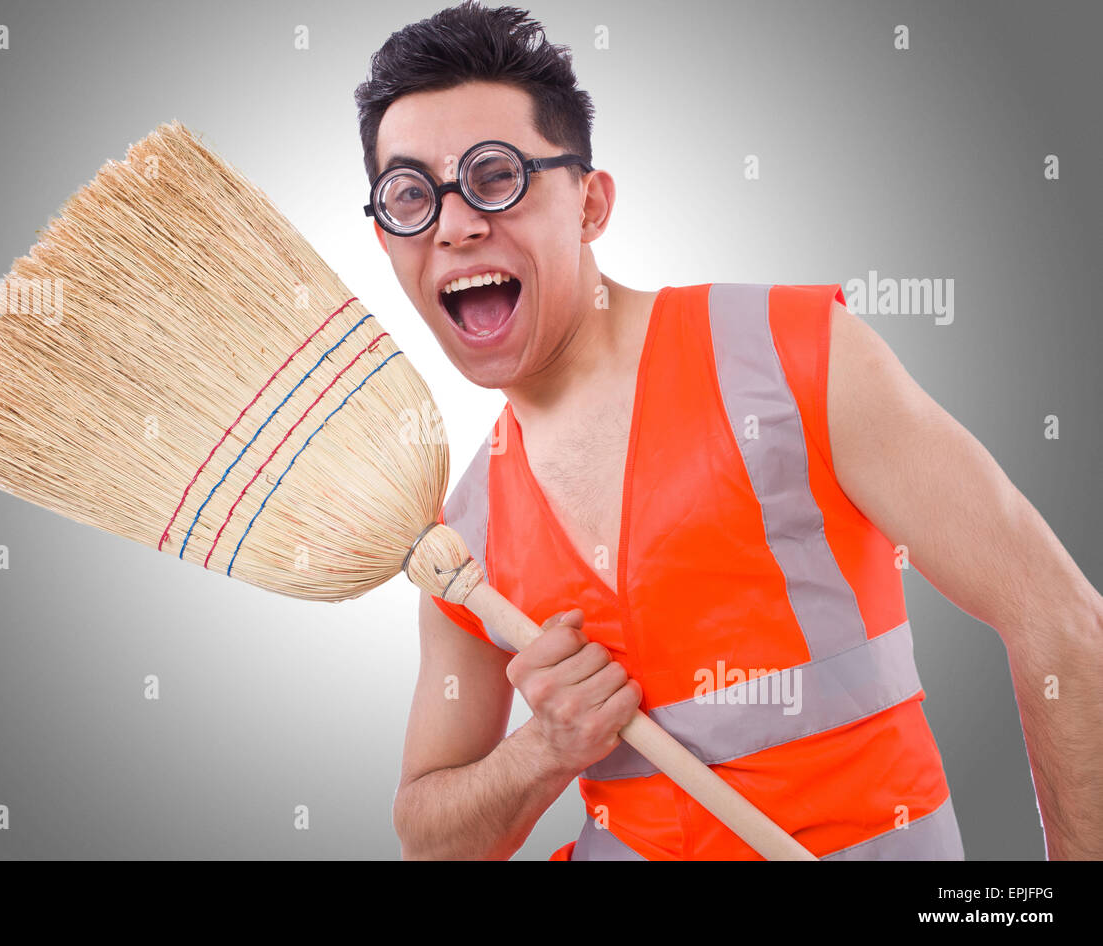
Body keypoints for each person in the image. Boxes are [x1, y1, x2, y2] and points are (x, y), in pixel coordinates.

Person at [353, 1, 1103, 860]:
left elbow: (1064, 625)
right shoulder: (463, 538)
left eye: (495, 177)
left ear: (591, 203)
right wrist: (542, 752)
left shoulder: (793, 359)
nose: (455, 225)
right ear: (386, 237)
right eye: (411, 196)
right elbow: (431, 841)